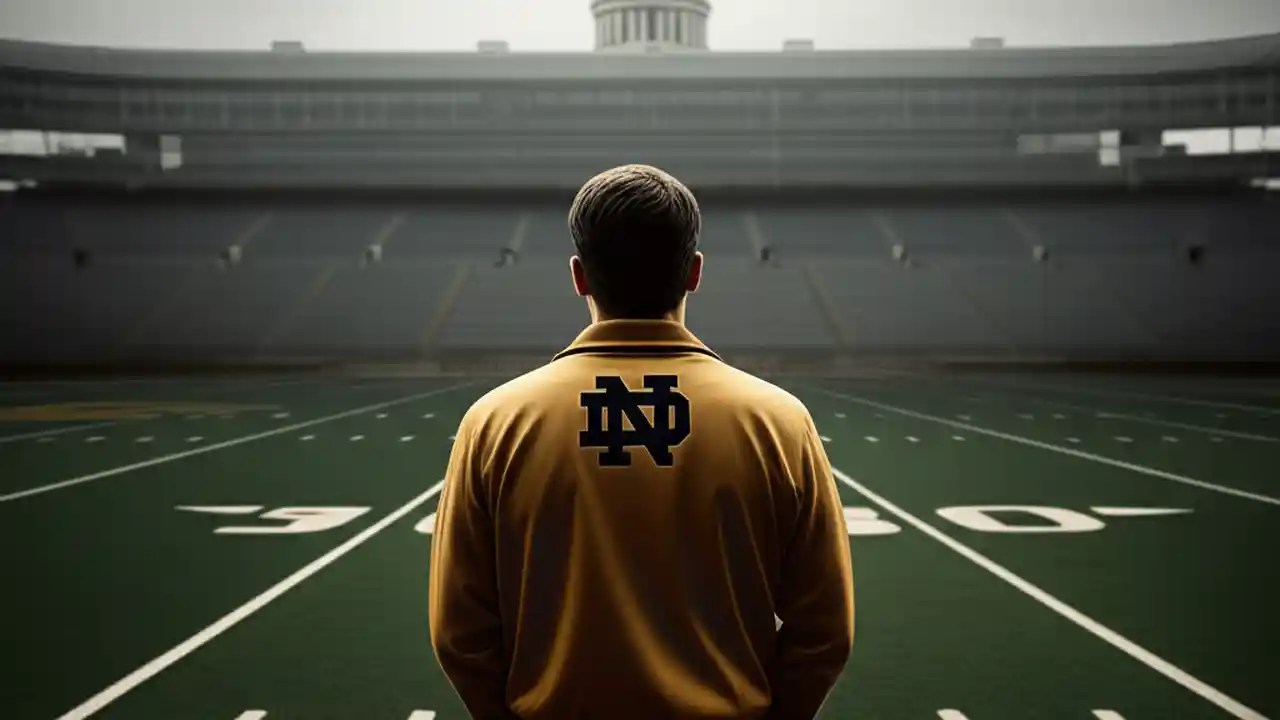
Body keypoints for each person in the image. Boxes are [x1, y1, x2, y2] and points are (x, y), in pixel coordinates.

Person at [429, 164, 854, 719]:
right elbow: (825, 631)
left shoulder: (495, 422)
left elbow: (458, 632)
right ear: (695, 272)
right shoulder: (778, 421)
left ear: (579, 276)